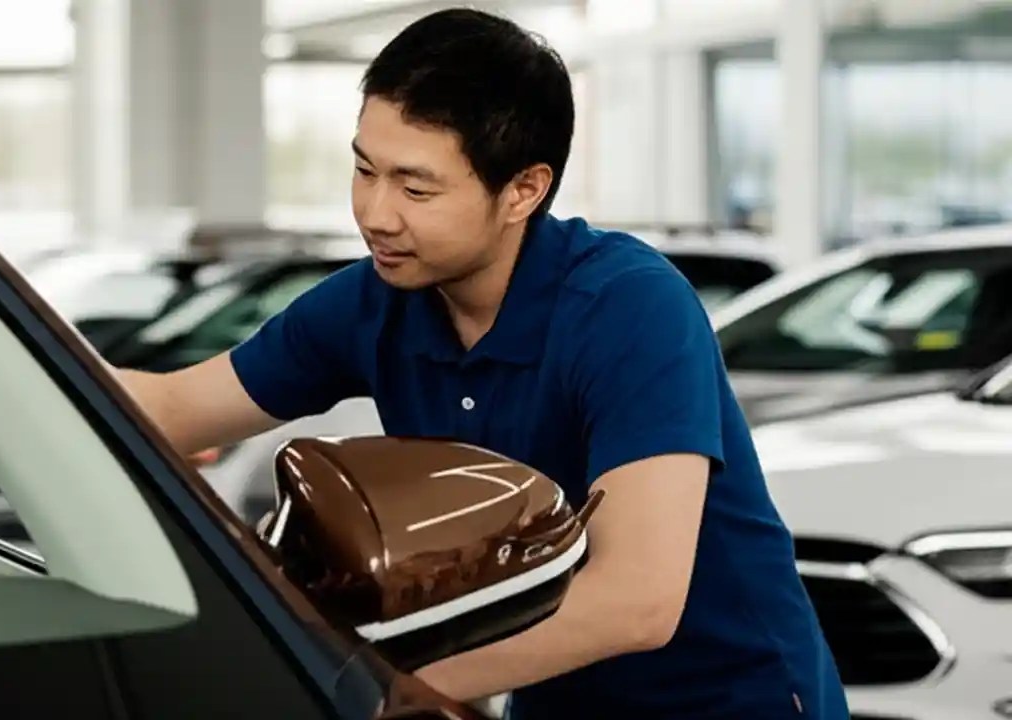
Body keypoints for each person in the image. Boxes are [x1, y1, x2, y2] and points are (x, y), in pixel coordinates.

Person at [117, 7, 849, 719]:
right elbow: (174, 409)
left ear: (523, 190)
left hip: (731, 698)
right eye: (364, 170)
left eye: (414, 186)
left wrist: (377, 684)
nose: (375, 213)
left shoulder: (629, 307)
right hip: (554, 695)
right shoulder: (375, 303)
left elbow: (636, 602)